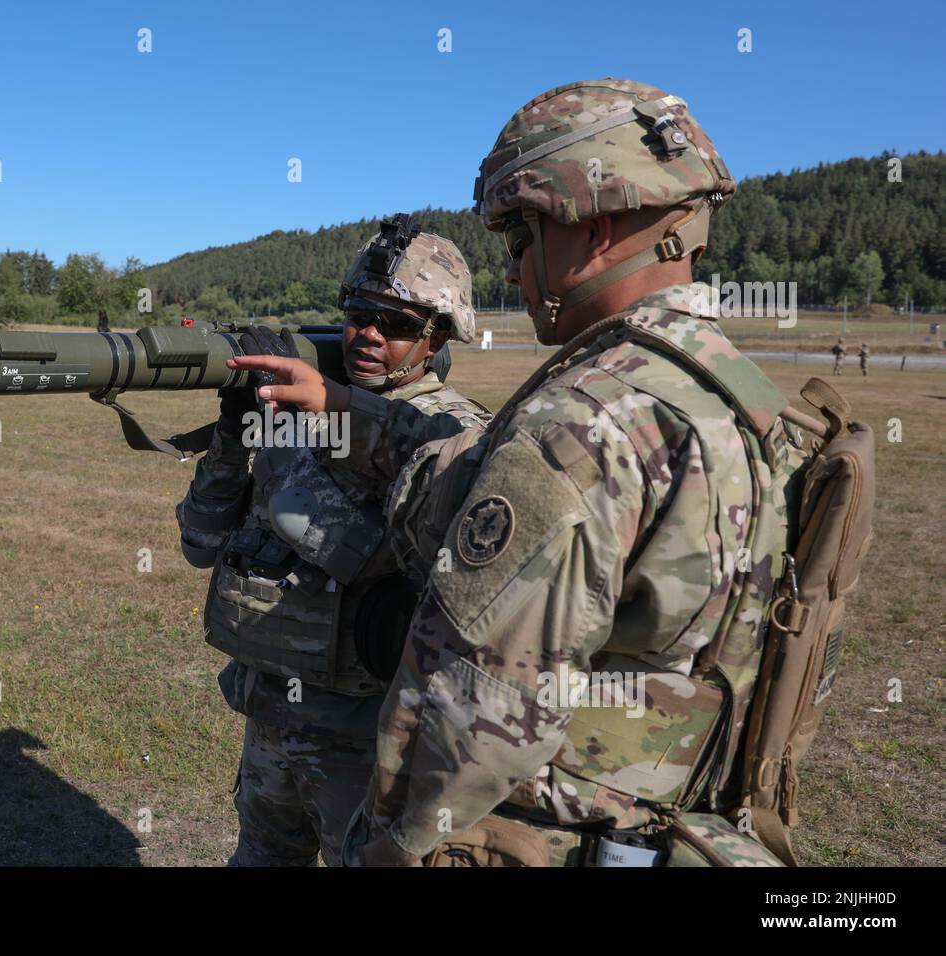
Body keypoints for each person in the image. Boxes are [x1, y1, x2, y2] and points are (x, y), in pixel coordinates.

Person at [229, 79, 809, 867]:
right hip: (672, 828)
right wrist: (337, 403)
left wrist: (389, 847)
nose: (514, 271)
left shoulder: (582, 422)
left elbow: (478, 708)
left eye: (521, 237)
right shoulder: (747, 404)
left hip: (553, 834)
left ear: (593, 225)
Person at [176, 215, 489, 866]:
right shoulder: (297, 409)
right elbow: (200, 542)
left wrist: (293, 443)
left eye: (398, 323)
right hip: (271, 719)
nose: (369, 335)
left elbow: (367, 553)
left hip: (367, 736)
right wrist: (236, 435)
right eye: (358, 313)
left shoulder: (453, 438)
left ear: (438, 337)